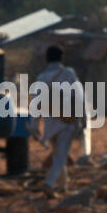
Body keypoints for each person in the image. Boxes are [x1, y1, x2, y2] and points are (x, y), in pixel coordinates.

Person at [30, 45, 84, 195]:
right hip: (67, 122)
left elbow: (36, 106)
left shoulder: (41, 78)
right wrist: (83, 119)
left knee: (58, 155)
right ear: (62, 58)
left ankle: (63, 185)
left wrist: (34, 127)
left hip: (50, 124)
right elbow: (79, 97)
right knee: (61, 156)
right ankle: (49, 184)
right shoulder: (68, 74)